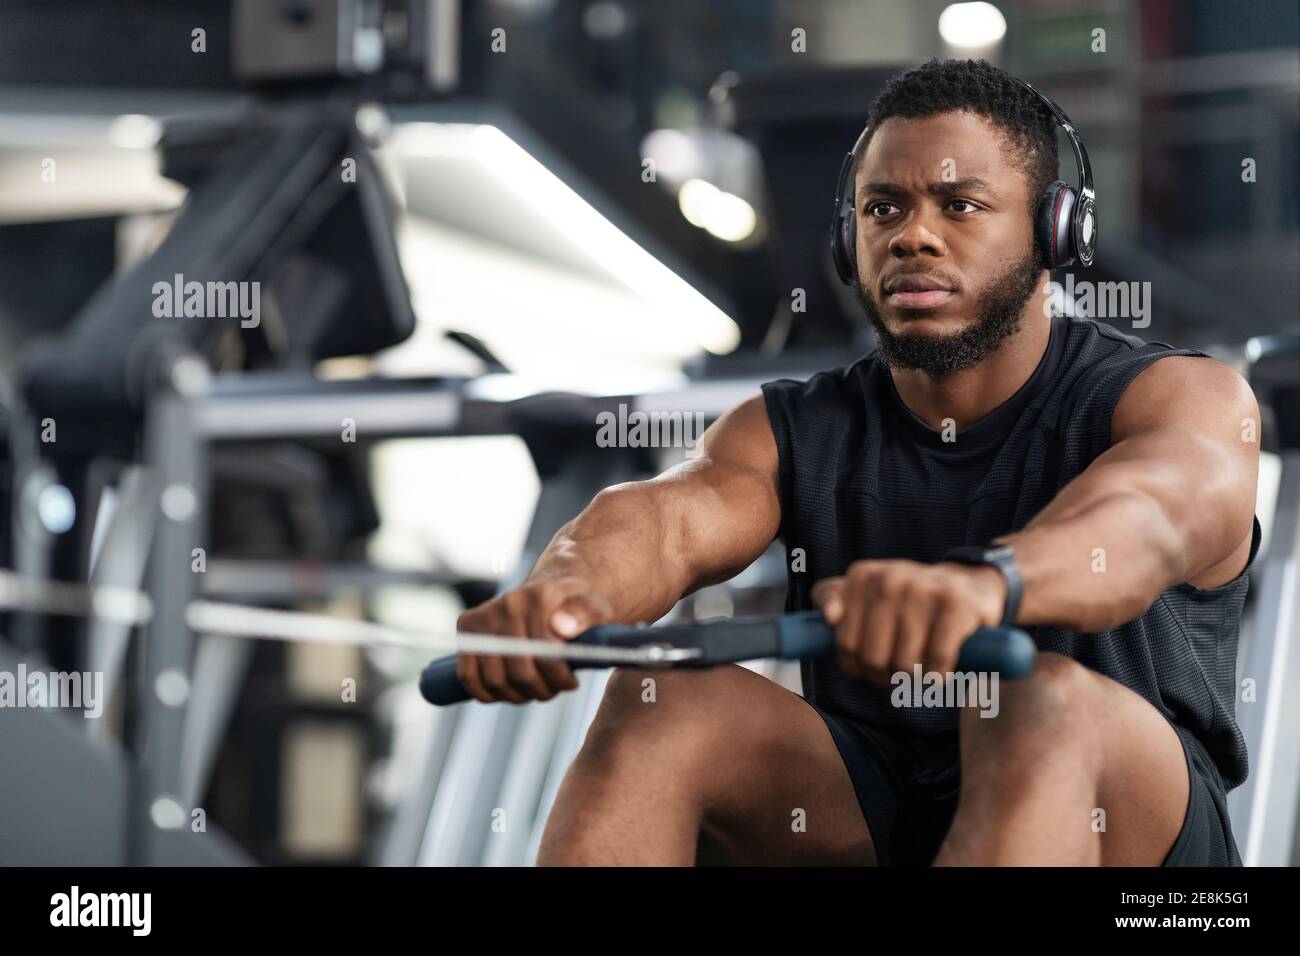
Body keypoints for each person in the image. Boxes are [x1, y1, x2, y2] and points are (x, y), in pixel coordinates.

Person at [456, 59, 1261, 866]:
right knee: (662, 699)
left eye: (961, 205)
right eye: (884, 207)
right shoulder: (795, 428)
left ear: (1054, 232)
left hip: (1138, 846)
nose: (913, 234)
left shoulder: (1176, 397)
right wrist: (564, 597)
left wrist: (990, 583)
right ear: (850, 238)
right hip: (880, 819)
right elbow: (664, 522)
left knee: (1039, 704)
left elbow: (1145, 518)